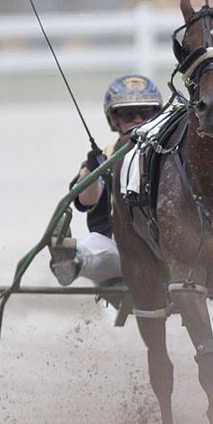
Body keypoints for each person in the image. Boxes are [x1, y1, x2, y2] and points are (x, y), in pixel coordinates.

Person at [49, 74, 163, 286]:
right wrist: (92, 169)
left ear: (158, 114)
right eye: (130, 114)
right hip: (119, 255)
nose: (138, 120)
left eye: (145, 113)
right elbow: (86, 200)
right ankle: (71, 261)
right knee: (95, 244)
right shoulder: (105, 157)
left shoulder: (171, 156)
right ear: (114, 119)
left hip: (167, 252)